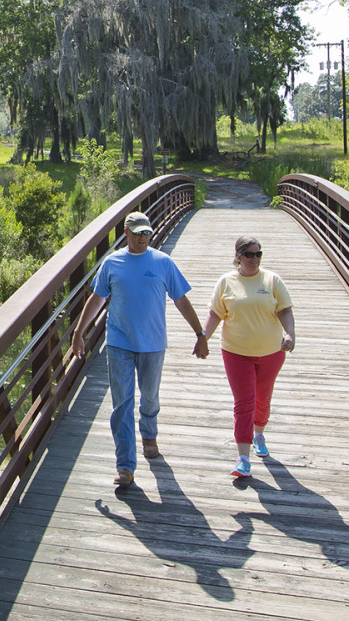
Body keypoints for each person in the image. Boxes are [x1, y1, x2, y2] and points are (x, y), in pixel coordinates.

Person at [72, 209, 209, 488]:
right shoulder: (112, 263)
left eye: (147, 232)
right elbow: (97, 299)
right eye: (138, 233)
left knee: (149, 397)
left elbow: (180, 299)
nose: (144, 237)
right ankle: (125, 465)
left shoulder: (162, 262)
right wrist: (79, 332)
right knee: (122, 404)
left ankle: (149, 434)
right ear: (127, 234)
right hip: (119, 342)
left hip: (153, 343)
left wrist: (200, 333)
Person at [202, 235, 295, 480]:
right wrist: (203, 338)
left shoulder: (272, 279)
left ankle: (259, 433)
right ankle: (243, 457)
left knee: (262, 399)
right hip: (236, 351)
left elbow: (285, 310)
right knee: (244, 402)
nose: (255, 259)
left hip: (271, 352)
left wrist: (290, 334)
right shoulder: (226, 282)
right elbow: (215, 314)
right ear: (238, 256)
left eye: (258, 254)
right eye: (249, 254)